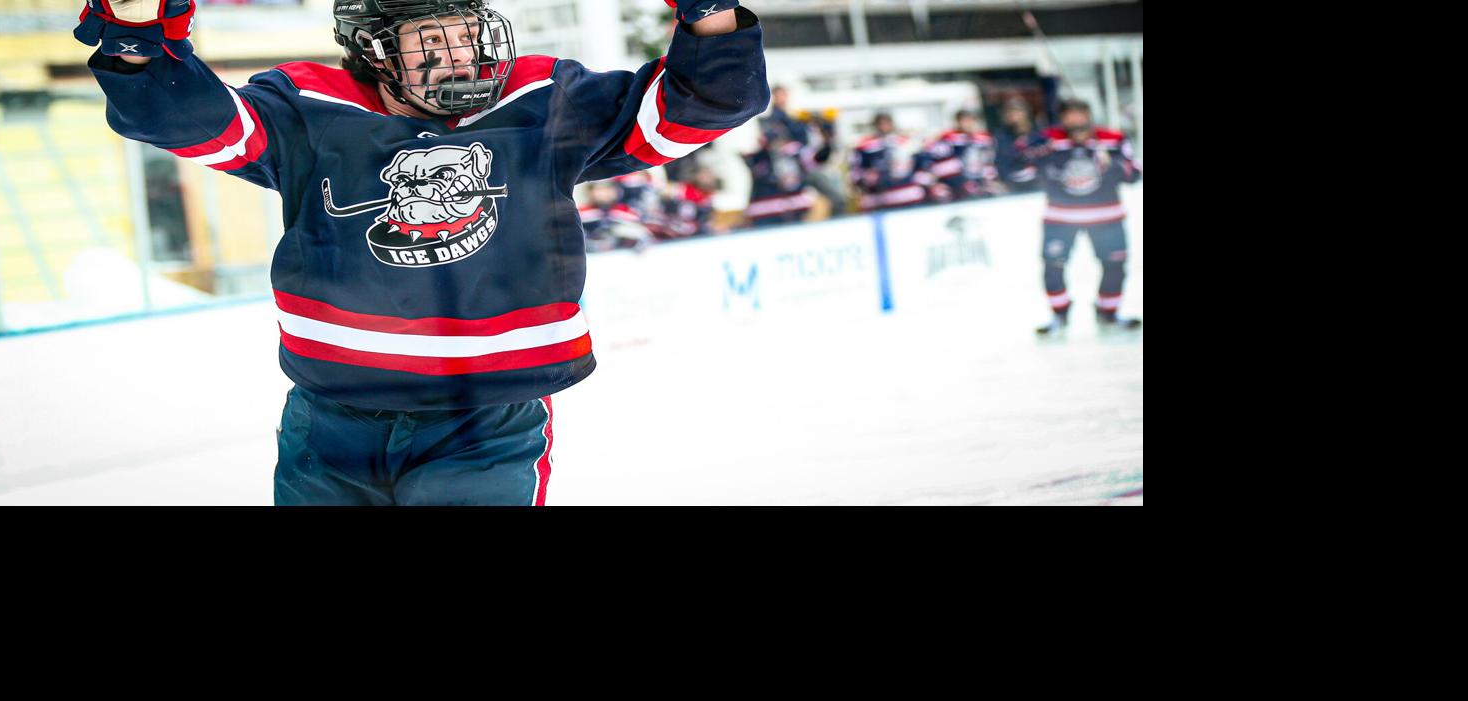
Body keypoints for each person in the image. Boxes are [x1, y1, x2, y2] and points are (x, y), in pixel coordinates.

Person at [74, 0, 768, 504]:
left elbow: (703, 102)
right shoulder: (307, 107)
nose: (459, 56)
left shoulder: (544, 97)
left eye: (466, 36)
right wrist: (135, 29)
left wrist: (707, 11)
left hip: (486, 424)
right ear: (373, 50)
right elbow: (180, 117)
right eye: (429, 42)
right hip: (330, 422)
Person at [1025, 99, 1142, 334]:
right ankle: (1060, 316)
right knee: (1053, 266)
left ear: (1089, 114)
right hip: (1061, 219)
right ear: (1063, 118)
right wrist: (1036, 149)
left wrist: (1115, 165)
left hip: (1106, 217)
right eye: (1070, 115)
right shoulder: (1048, 140)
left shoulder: (1112, 139)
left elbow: (1135, 174)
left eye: (1081, 114)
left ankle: (1108, 313)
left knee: (1114, 265)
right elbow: (1021, 172)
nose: (1076, 120)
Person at [851, 112, 928, 212]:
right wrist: (868, 180)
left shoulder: (907, 142)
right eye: (880, 124)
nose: (884, 127)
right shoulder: (865, 146)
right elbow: (856, 173)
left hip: (909, 196)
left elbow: (921, 166)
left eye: (886, 123)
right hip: (881, 199)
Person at [918, 108, 999, 203]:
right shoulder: (949, 137)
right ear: (957, 121)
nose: (967, 124)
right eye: (964, 120)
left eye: (970, 120)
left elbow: (991, 159)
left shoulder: (984, 138)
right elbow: (932, 156)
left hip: (979, 179)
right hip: (956, 182)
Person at [994, 96, 1042, 193]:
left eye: (1017, 111)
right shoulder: (1000, 137)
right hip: (1015, 187)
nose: (1013, 115)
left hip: (1042, 185)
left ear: (1026, 113)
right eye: (1009, 112)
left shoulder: (1041, 133)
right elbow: (1001, 162)